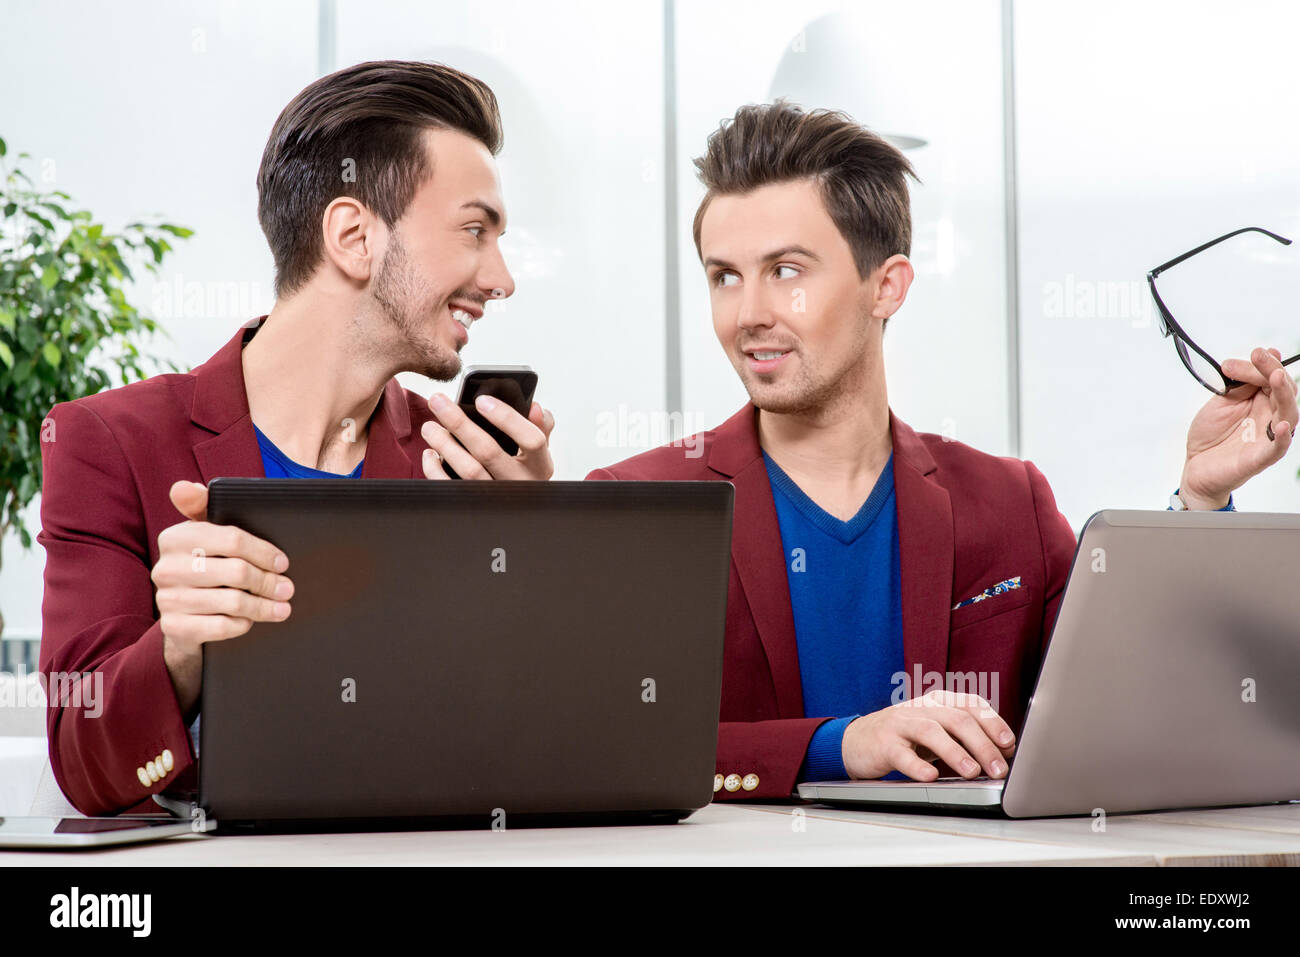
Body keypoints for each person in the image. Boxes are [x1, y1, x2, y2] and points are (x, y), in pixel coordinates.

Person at [587, 100, 1298, 801]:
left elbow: (1120, 709)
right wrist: (840, 743)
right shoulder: (640, 503)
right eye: (725, 277)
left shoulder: (1009, 501)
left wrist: (1198, 499)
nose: (749, 314)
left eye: (787, 270)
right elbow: (607, 739)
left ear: (886, 286)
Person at [38, 60, 556, 816]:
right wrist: (180, 646)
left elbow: (521, 747)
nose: (503, 277)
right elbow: (85, 772)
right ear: (353, 236)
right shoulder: (110, 440)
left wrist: (541, 553)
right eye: (476, 230)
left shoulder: (459, 465)